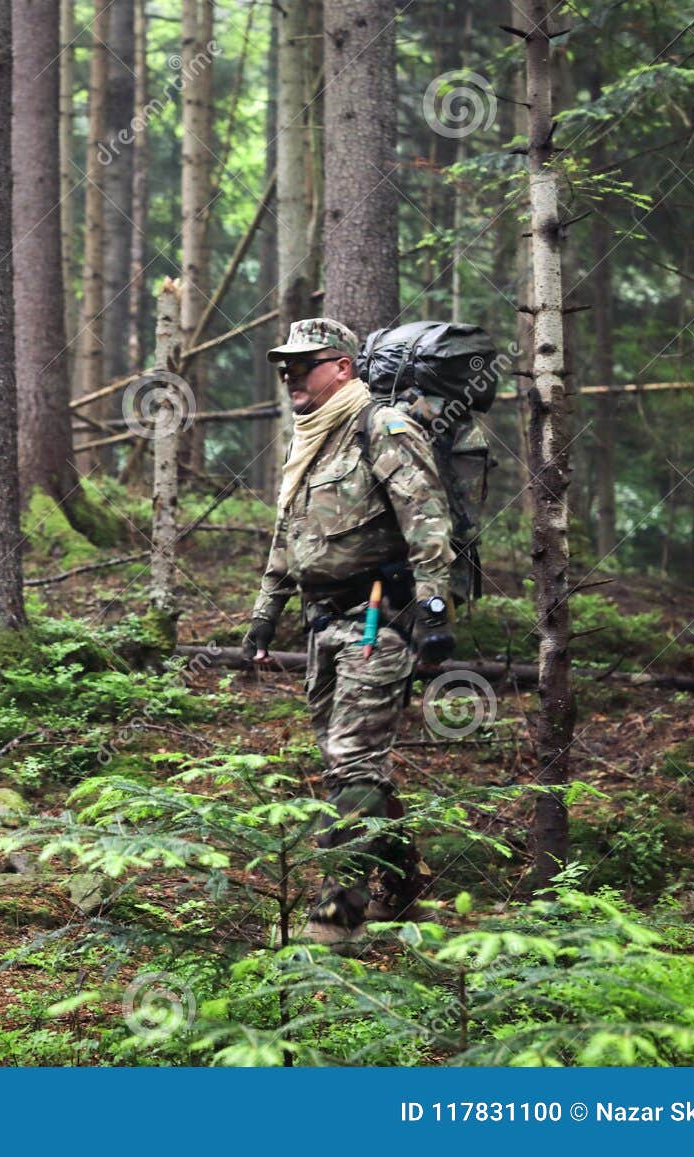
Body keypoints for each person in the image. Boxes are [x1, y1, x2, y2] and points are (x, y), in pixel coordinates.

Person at [244, 317, 456, 945]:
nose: (290, 378)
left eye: (303, 366)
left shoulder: (381, 429)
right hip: (324, 624)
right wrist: (266, 613)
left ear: (342, 367)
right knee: (349, 768)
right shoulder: (308, 442)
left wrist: (434, 611)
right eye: (284, 368)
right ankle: (403, 878)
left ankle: (338, 910)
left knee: (353, 764)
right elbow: (291, 537)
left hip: (378, 621)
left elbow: (426, 517)